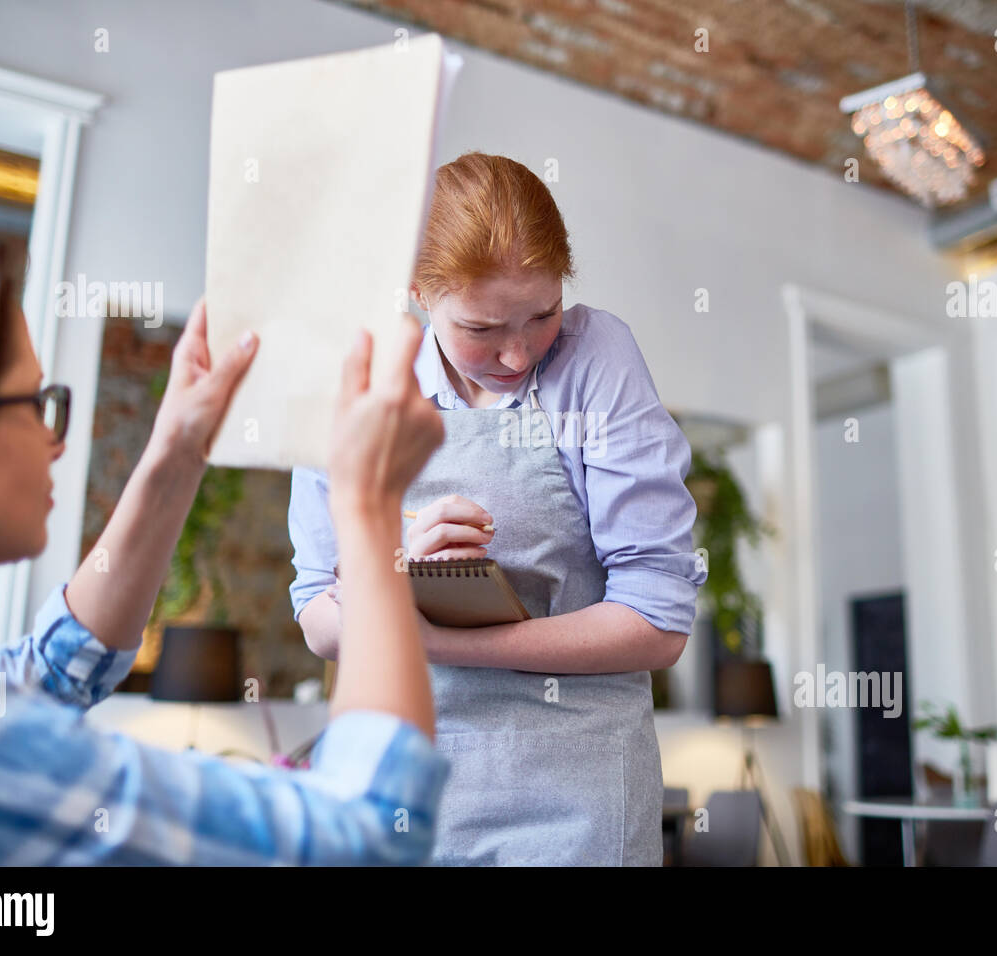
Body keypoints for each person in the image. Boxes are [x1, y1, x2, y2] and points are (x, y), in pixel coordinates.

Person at [0, 211, 449, 864]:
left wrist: (178, 450)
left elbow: (55, 668)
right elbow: (367, 836)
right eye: (34, 402)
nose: (56, 439)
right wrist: (369, 504)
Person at [289, 152, 707, 865]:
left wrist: (438, 641)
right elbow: (318, 619)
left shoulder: (595, 357)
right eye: (480, 329)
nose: (516, 355)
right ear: (421, 293)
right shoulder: (359, 382)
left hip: (576, 797)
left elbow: (657, 621)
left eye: (541, 314)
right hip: (403, 789)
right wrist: (393, 576)